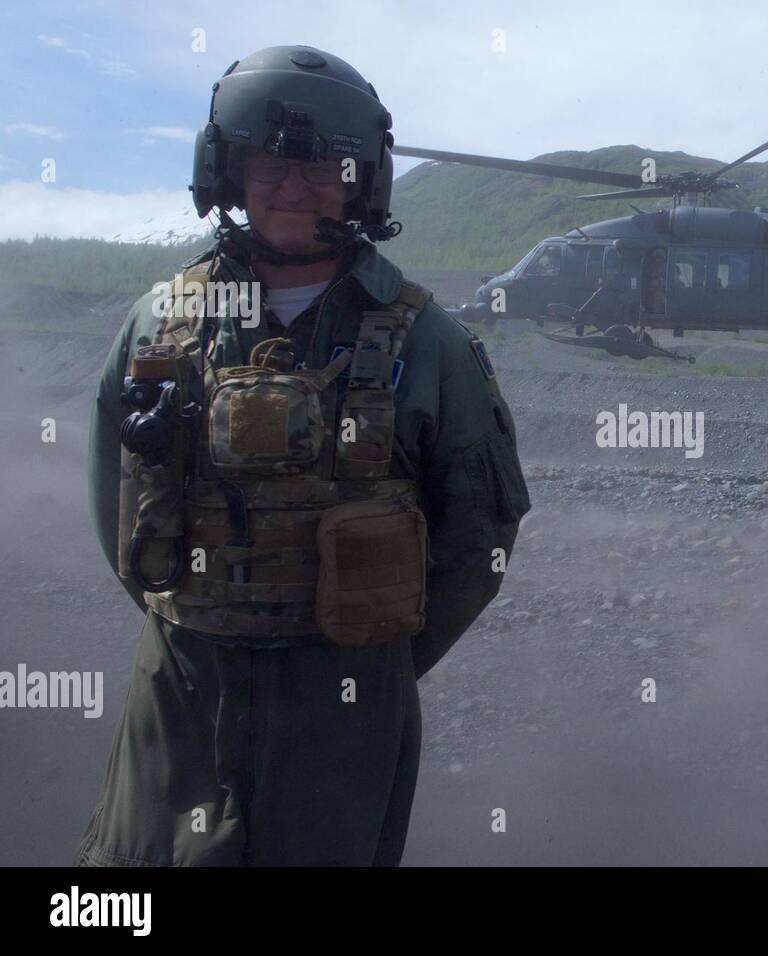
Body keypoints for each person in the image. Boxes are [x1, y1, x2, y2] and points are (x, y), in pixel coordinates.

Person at [75, 45, 530, 866]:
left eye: (325, 166)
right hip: (181, 685)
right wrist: (204, 623)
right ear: (227, 171)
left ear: (363, 182)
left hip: (345, 700)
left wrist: (373, 658)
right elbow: (116, 507)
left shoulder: (427, 341)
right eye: (268, 162)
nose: (293, 185)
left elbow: (480, 541)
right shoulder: (156, 326)